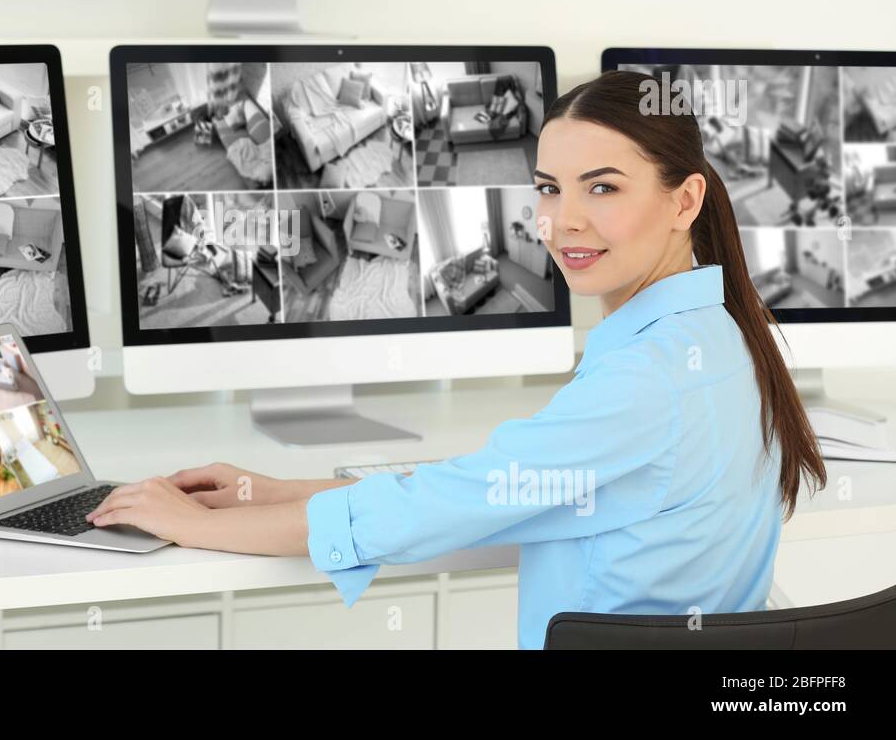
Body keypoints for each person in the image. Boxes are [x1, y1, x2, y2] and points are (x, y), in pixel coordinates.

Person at [86, 69, 828, 649]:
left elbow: (435, 508)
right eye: (549, 189)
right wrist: (265, 491)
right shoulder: (723, 334)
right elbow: (491, 485)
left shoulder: (646, 381)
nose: (561, 220)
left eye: (602, 187)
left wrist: (197, 524)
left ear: (684, 200)